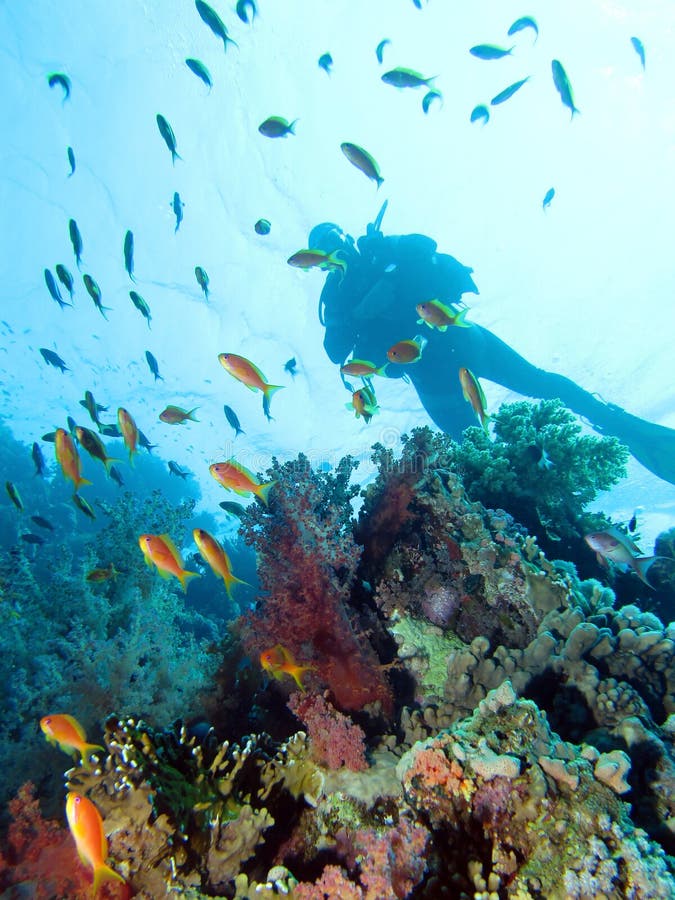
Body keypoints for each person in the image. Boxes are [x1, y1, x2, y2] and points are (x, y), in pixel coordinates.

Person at [310, 208, 675, 486]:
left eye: (337, 242)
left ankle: (621, 425)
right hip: (435, 383)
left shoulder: (379, 250)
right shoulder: (337, 301)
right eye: (325, 251)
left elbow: (429, 249)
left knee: (541, 384)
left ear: (346, 237)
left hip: (464, 340)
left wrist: (390, 248)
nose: (335, 252)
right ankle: (524, 512)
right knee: (481, 459)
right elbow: (336, 353)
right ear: (317, 263)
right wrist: (357, 313)